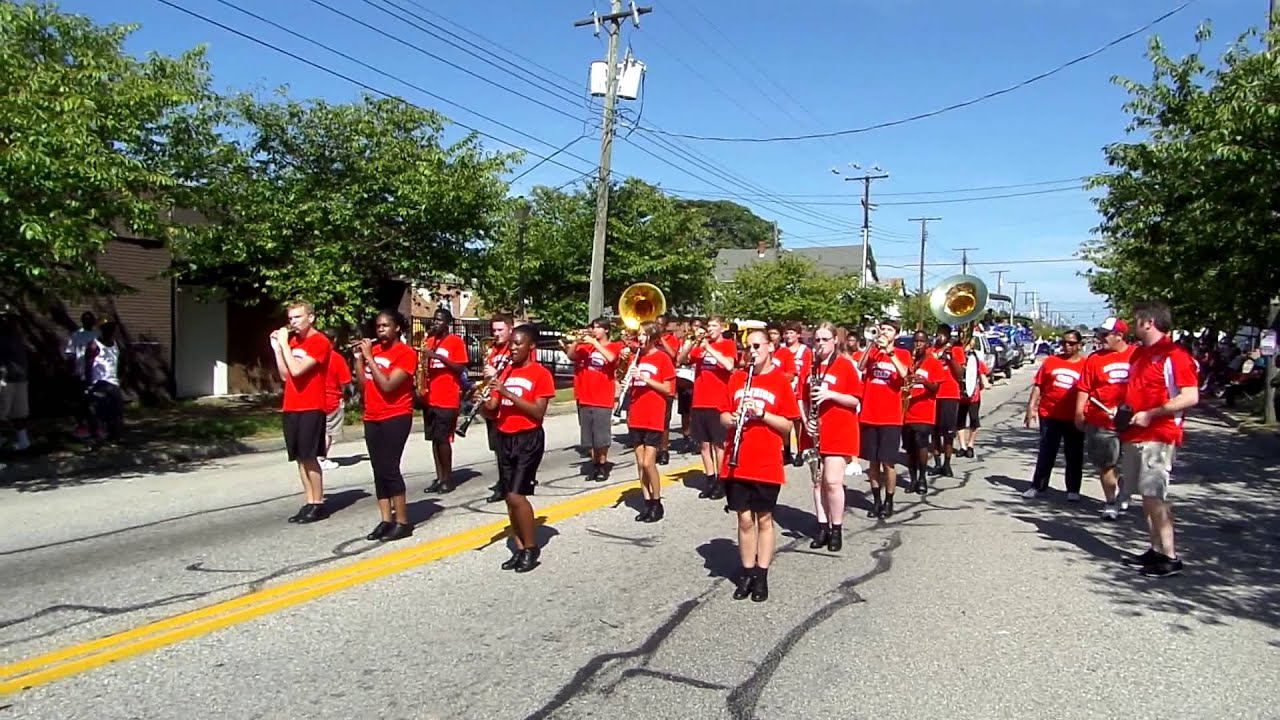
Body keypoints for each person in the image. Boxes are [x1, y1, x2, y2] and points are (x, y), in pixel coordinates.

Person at [719, 330, 800, 602]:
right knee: (743, 518)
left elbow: (788, 425)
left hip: (765, 460)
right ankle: (747, 572)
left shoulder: (779, 382)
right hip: (737, 458)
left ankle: (762, 575)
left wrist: (763, 413)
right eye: (748, 346)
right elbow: (723, 415)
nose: (752, 351)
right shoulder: (737, 378)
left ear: (769, 347)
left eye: (757, 346)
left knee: (764, 518)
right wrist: (731, 419)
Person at [1120, 302, 1199, 577]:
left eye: (1136, 319)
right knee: (1146, 496)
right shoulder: (1140, 354)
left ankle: (1170, 556)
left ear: (1148, 321)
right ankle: (1154, 550)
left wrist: (1151, 413)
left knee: (1155, 495)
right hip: (1136, 432)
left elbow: (1190, 396)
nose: (1133, 324)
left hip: (1160, 434)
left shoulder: (1174, 354)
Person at [485, 324, 556, 573]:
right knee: (507, 496)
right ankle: (518, 546)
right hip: (505, 436)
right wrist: (484, 401)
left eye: (518, 344)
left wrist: (507, 393)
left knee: (517, 495)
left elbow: (537, 412)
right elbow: (493, 408)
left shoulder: (540, 374)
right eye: (512, 344)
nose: (513, 348)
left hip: (528, 438)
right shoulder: (505, 371)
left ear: (531, 346)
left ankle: (531, 547)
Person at [353, 311, 417, 542]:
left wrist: (369, 358)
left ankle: (402, 521)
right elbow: (364, 386)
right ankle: (385, 519)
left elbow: (389, 386)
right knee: (378, 469)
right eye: (378, 326)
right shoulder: (375, 351)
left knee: (390, 468)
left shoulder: (406, 353)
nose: (380, 330)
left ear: (397, 328)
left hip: (396, 415)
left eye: (386, 326)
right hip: (372, 415)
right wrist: (359, 360)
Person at [269, 301, 332, 523]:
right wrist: (278, 349)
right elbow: (286, 375)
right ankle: (308, 500)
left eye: (297, 317)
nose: (293, 322)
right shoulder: (293, 342)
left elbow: (298, 370)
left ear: (311, 317)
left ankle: (318, 502)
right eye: (291, 318)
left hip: (311, 405)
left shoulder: (319, 342)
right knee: (299, 458)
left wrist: (285, 344)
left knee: (309, 456)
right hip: (291, 404)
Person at [803, 322, 862, 551]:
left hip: (840, 429)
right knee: (817, 483)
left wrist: (830, 394)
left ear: (835, 340)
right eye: (816, 340)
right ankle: (822, 526)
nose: (819, 344)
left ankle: (836, 528)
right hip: (816, 430)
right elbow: (801, 397)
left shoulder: (845, 366)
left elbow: (855, 400)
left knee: (833, 481)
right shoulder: (810, 367)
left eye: (824, 339)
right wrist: (806, 419)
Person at [1075, 316, 1135, 520]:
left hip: (1132, 421)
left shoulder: (1137, 355)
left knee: (1131, 466)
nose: (1100, 337)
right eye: (1100, 333)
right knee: (1106, 464)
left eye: (1105, 334)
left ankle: (1124, 493)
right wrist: (1079, 413)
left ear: (1119, 335)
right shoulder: (1095, 358)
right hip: (1101, 421)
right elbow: (1084, 388)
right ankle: (1110, 502)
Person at [857, 319, 912, 518]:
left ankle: (889, 500)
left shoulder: (903, 354)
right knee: (872, 462)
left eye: (889, 330)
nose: (885, 332)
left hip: (891, 417)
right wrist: (870, 344)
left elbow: (905, 375)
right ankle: (876, 501)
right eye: (883, 329)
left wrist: (890, 353)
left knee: (888, 463)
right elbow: (860, 366)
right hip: (869, 415)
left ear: (895, 335)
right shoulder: (872, 352)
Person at [1023, 330, 1086, 501]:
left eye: (1072, 343)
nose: (1067, 346)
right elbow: (1038, 385)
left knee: (1074, 453)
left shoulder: (1086, 365)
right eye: (1064, 342)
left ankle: (1073, 489)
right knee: (1046, 451)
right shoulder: (1051, 362)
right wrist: (1031, 408)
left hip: (1073, 417)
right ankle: (1038, 486)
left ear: (1079, 345)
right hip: (1049, 414)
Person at [679, 316, 736, 500]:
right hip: (699, 400)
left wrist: (709, 348)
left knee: (719, 444)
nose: (710, 329)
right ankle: (710, 478)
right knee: (703, 444)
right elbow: (681, 359)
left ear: (722, 328)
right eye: (708, 326)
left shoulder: (727, 344)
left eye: (713, 326)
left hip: (718, 401)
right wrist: (689, 342)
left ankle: (722, 479)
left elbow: (729, 365)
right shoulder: (699, 346)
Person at [626, 321, 676, 522]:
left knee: (648, 463)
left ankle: (657, 502)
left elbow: (668, 389)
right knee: (639, 463)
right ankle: (646, 502)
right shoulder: (636, 357)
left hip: (653, 414)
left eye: (643, 334)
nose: (639, 338)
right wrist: (627, 377)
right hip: (636, 413)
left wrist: (646, 379)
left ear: (653, 337)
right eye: (638, 334)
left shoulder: (662, 358)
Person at [567, 318, 624, 481]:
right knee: (588, 437)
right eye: (593, 327)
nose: (594, 330)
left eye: (598, 327)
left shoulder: (614, 346)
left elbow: (611, 359)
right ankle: (595, 464)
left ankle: (603, 463)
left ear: (606, 330)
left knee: (601, 436)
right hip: (585, 397)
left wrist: (595, 343)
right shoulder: (585, 348)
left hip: (603, 397)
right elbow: (571, 356)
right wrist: (576, 342)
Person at [420, 308, 469, 494]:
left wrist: (438, 357)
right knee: (434, 440)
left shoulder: (455, 342)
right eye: (434, 319)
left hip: (447, 398)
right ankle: (439, 477)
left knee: (443, 439)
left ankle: (448, 479)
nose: (435, 323)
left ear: (447, 323)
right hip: (429, 398)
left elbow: (460, 368)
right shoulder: (430, 341)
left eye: (439, 320)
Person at [903, 330, 945, 496]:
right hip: (906, 410)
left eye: (921, 341)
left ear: (927, 343)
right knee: (909, 447)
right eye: (915, 341)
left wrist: (924, 381)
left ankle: (922, 478)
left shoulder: (932, 362)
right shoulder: (909, 360)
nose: (918, 344)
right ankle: (912, 479)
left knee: (921, 444)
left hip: (924, 411)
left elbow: (936, 388)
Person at [481, 314, 514, 504]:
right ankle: (503, 482)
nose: (496, 334)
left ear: (510, 329)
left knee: (510, 450)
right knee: (498, 449)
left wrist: (495, 375)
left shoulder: (516, 349)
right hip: (493, 403)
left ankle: (510, 484)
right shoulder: (493, 350)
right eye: (494, 330)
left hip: (508, 404)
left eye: (500, 330)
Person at [929, 324, 966, 477]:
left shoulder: (956, 350)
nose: (940, 336)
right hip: (932, 394)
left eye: (943, 334)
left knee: (948, 433)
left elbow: (960, 374)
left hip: (949, 395)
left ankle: (947, 463)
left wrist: (951, 358)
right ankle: (937, 462)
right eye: (939, 333)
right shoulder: (931, 351)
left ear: (949, 335)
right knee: (934, 432)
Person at [83, 320, 125, 444]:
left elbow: (120, 362)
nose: (110, 331)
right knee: (96, 412)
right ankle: (96, 437)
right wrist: (88, 384)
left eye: (112, 328)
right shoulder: (94, 344)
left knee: (116, 412)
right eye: (107, 328)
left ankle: (115, 436)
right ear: (102, 329)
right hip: (99, 383)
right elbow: (88, 364)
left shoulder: (116, 344)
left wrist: (120, 378)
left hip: (113, 382)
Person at [954, 335, 991, 458]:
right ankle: (962, 446)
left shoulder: (975, 359)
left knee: (974, 420)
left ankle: (970, 445)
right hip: (960, 395)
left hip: (973, 396)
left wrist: (985, 383)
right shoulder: (957, 359)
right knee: (960, 421)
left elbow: (981, 374)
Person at [63, 311, 98, 440]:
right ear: (82, 321)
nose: (88, 321)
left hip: (97, 373)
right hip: (81, 373)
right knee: (81, 401)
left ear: (94, 321)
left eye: (91, 319)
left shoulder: (97, 335)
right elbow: (71, 354)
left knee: (95, 401)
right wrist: (71, 371)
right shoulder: (76, 335)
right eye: (86, 319)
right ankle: (81, 426)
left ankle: (96, 426)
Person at [319, 339, 352, 471]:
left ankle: (312, 456)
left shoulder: (310, 356)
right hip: (331, 399)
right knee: (328, 431)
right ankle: (321, 458)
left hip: (313, 400)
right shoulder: (336, 358)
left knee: (317, 431)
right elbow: (346, 380)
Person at [0, 312, 30, 451]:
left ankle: (23, 442)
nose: (12, 323)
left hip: (20, 379)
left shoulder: (17, 337)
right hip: (5, 380)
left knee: (20, 413)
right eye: (7, 320)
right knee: (2, 412)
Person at [656, 315, 683, 465]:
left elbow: (673, 355)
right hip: (652, 384)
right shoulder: (652, 340)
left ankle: (664, 450)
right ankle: (655, 449)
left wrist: (662, 339)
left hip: (667, 386)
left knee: (664, 422)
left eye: (660, 325)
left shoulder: (672, 339)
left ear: (665, 326)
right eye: (656, 324)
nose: (657, 326)